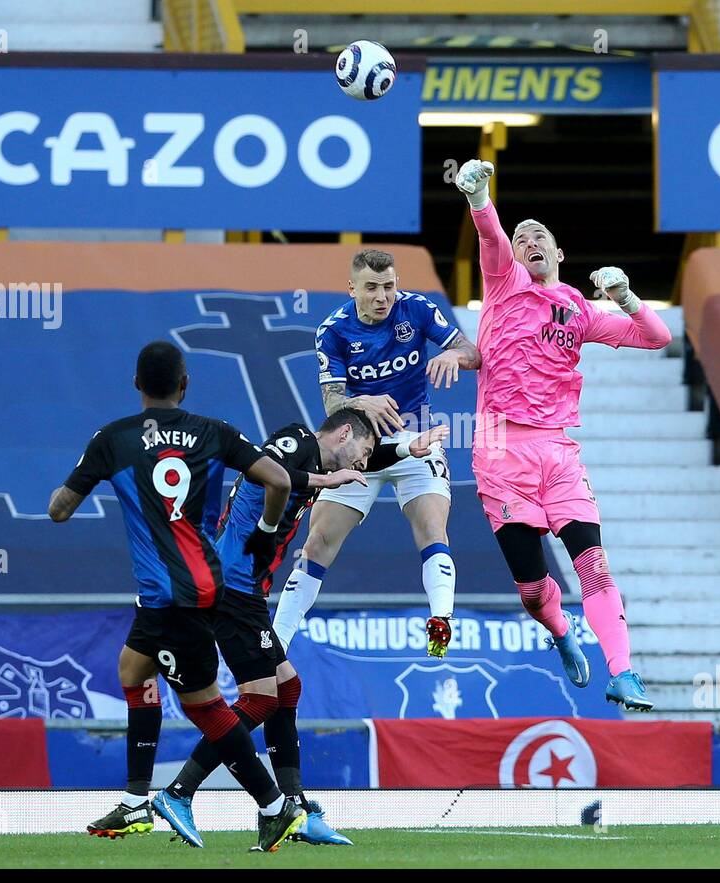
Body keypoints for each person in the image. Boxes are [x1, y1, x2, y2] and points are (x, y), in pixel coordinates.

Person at [49, 341, 324, 852]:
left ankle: (272, 806)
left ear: (136, 385)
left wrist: (85, 480)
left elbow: (59, 510)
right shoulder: (213, 432)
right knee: (134, 670)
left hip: (172, 596)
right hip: (193, 585)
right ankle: (136, 802)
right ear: (185, 384)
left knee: (206, 705)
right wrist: (267, 525)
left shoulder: (112, 439)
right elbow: (279, 479)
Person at [151, 412, 449, 848]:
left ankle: (292, 808)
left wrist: (406, 448)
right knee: (260, 698)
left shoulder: (316, 459)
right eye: (363, 454)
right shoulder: (297, 440)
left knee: (287, 688)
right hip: (231, 584)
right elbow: (272, 473)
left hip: (244, 588)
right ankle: (179, 793)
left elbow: (317, 469)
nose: (362, 466)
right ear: (344, 433)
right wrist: (324, 485)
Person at [453, 158, 672, 711]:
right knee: (532, 588)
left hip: (557, 449)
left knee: (591, 562)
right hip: (500, 450)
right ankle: (559, 630)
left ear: (558, 253)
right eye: (522, 236)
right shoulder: (504, 283)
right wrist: (480, 199)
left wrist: (625, 297)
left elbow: (658, 336)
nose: (528, 241)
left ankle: (622, 672)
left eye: (540, 236)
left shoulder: (578, 308)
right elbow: (491, 235)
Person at [271, 249, 481, 658]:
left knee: (433, 530)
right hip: (359, 448)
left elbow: (472, 352)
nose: (382, 296)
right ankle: (276, 642)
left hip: (417, 435)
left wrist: (454, 354)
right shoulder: (333, 331)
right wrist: (364, 403)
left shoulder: (417, 309)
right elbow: (333, 405)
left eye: (388, 286)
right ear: (352, 289)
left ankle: (441, 621)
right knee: (318, 542)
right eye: (371, 288)